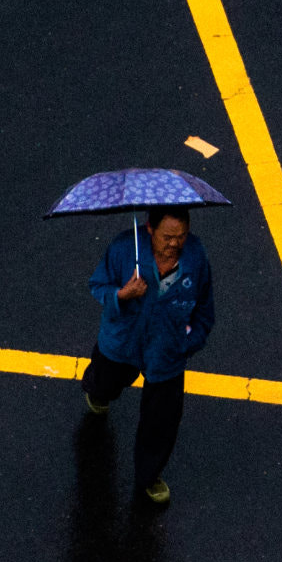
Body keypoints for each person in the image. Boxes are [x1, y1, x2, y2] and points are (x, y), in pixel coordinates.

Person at [84, 206, 213, 506]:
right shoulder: (122, 248)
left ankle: (148, 474)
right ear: (149, 229)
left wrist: (189, 342)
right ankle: (97, 390)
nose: (174, 244)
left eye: (181, 236)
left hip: (167, 352)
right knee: (104, 383)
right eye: (167, 237)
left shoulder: (196, 256)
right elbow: (97, 285)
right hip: (123, 343)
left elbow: (205, 307)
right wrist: (122, 295)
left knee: (162, 420)